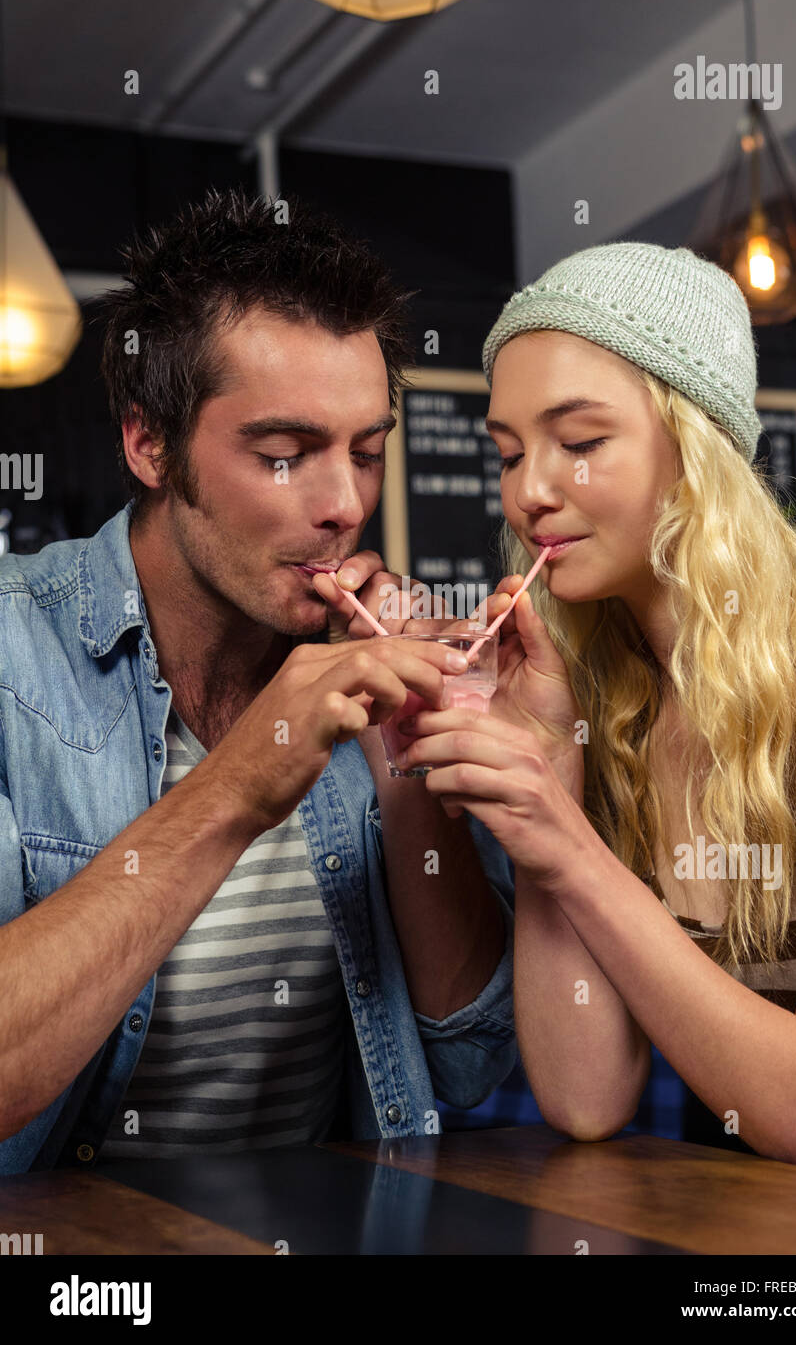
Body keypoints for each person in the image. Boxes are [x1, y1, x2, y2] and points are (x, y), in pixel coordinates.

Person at [0, 187, 515, 1174]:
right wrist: (240, 780)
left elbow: (468, 1063)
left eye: (367, 453)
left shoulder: (372, 666)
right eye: (283, 456)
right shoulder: (12, 650)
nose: (341, 504)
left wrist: (408, 774)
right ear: (148, 442)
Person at [394, 241, 796, 1172]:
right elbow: (584, 1098)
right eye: (510, 453)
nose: (530, 491)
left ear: (697, 455)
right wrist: (551, 793)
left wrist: (562, 838)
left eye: (580, 443)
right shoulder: (608, 712)